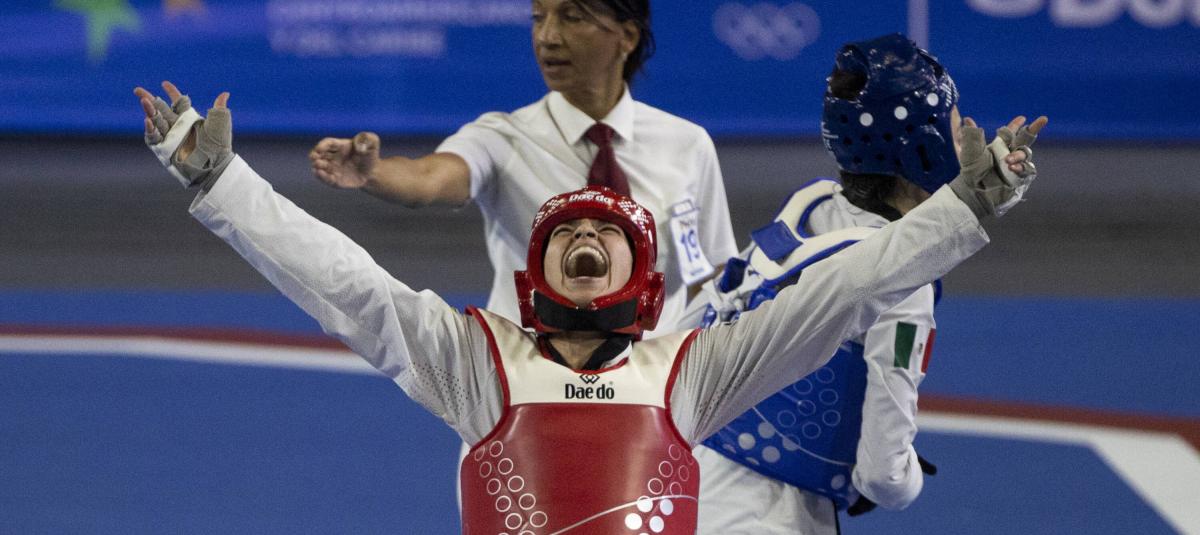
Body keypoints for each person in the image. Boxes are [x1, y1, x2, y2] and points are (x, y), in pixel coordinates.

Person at [134, 76, 1038, 533]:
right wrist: (222, 181)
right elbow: (346, 283)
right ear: (537, 275)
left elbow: (848, 285)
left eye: (608, 235)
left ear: (642, 285)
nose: (585, 236)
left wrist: (969, 202)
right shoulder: (479, 363)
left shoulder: (690, 370)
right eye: (566, 232)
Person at [686, 34, 1048, 533]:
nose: (964, 132)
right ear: (924, 147)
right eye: (952, 120)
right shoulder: (904, 289)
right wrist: (910, 474)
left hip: (676, 485)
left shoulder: (806, 211)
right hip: (767, 518)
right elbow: (882, 477)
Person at [307, 0, 737, 336]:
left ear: (626, 36)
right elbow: (427, 179)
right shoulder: (502, 138)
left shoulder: (686, 144)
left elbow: (712, 271)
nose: (548, 36)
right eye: (538, 17)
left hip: (651, 392)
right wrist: (374, 173)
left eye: (571, 17)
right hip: (522, 385)